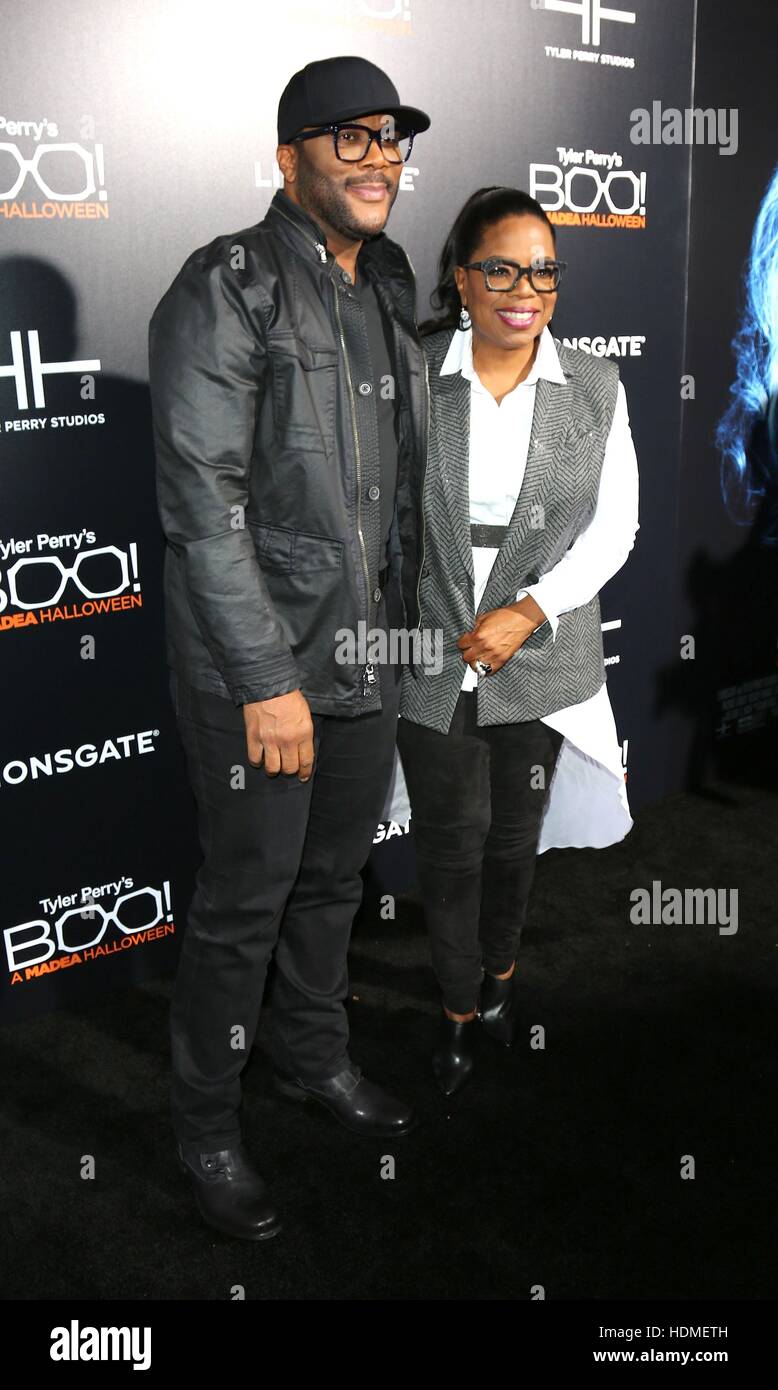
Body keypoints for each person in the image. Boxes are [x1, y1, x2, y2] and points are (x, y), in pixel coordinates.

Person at [148, 56, 430, 1240]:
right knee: (244, 905)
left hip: (367, 652)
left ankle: (310, 1059)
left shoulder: (389, 284)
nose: (379, 159)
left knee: (330, 886)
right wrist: (268, 682)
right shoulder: (230, 285)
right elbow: (201, 504)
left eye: (392, 138)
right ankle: (206, 1126)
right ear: (289, 156)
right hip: (259, 672)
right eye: (349, 138)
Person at [397, 186, 640, 1096]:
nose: (524, 288)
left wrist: (528, 611)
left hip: (542, 650)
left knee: (511, 840)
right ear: (462, 278)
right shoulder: (412, 374)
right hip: (427, 648)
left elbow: (615, 530)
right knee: (451, 843)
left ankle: (500, 983)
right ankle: (457, 1009)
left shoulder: (598, 387)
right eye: (501, 267)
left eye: (542, 270)